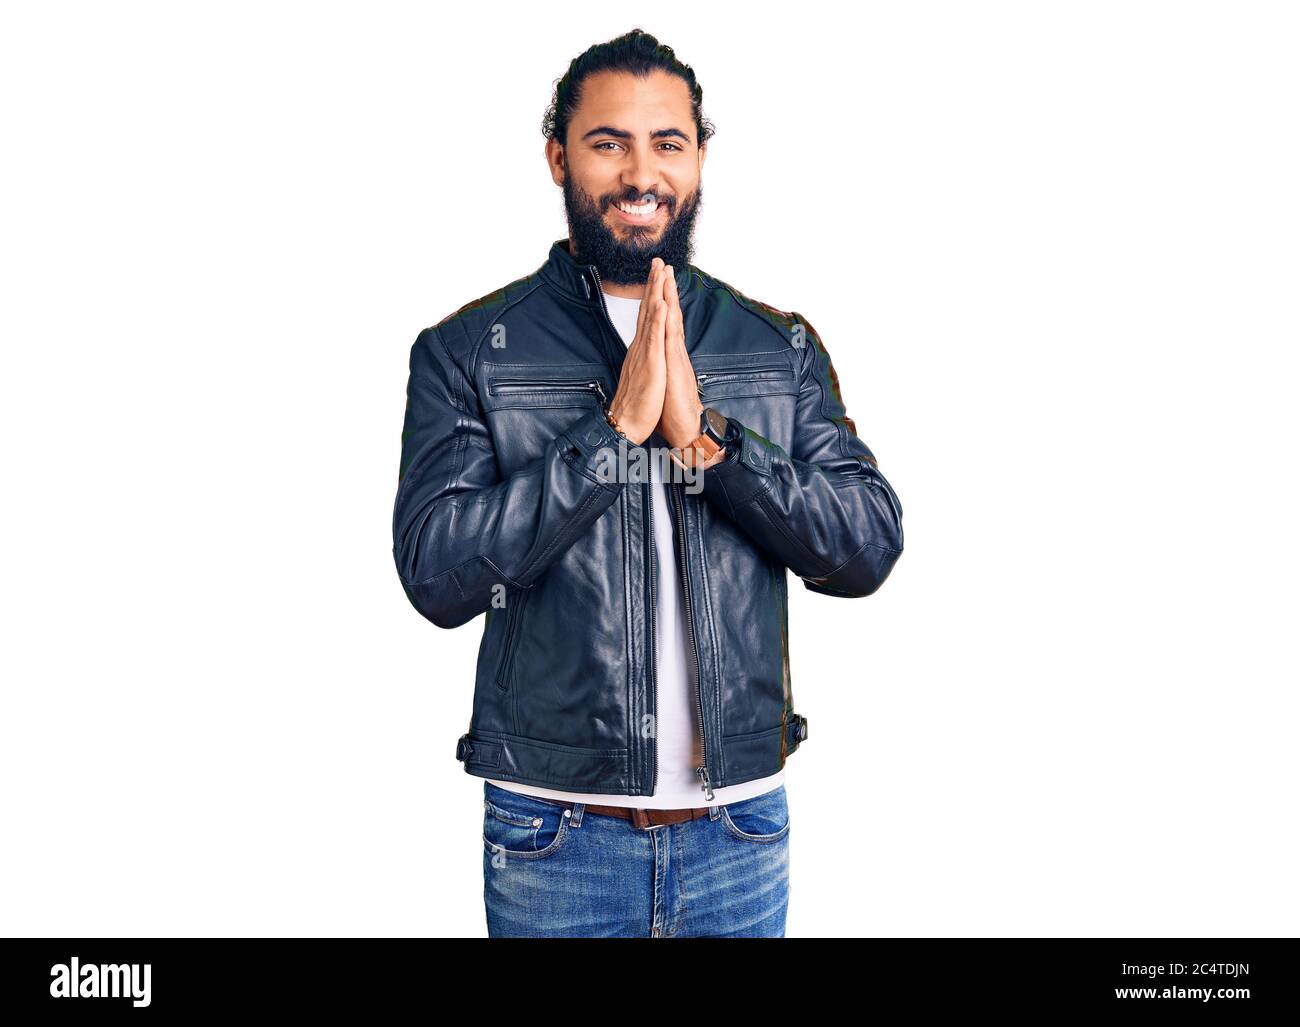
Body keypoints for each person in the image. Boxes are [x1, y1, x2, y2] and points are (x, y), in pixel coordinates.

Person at [392, 29, 904, 937]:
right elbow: (436, 574)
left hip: (740, 832)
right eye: (607, 142)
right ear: (558, 156)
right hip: (551, 835)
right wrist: (612, 436)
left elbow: (865, 544)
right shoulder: (467, 351)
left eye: (667, 142)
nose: (641, 173)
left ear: (700, 155)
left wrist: (709, 440)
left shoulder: (774, 345)